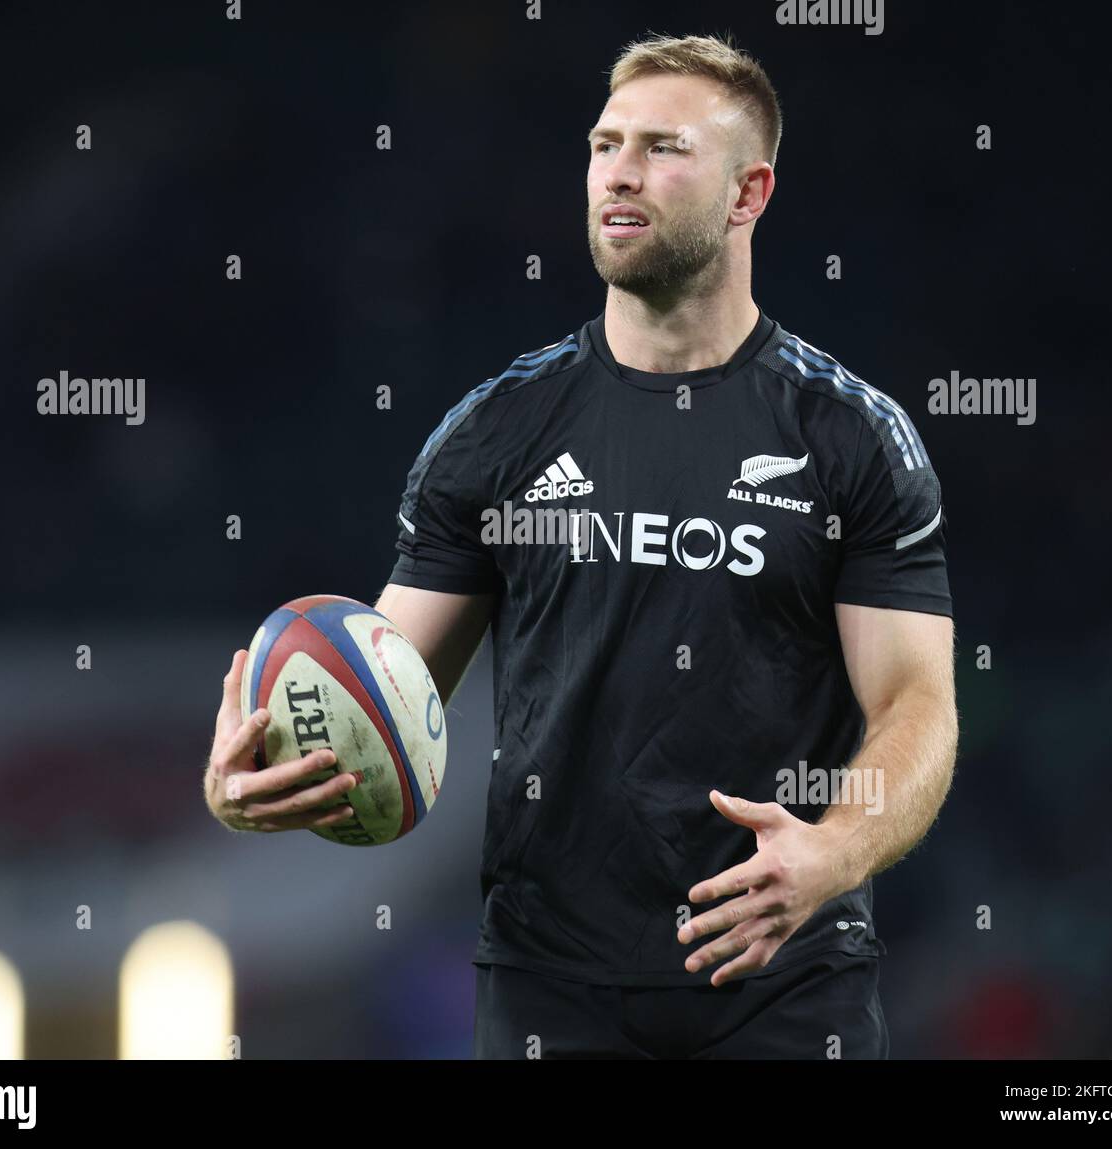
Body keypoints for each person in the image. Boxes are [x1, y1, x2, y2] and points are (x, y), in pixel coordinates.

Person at [204, 32, 958, 1060]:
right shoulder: (493, 432)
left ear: (748, 195)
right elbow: (387, 695)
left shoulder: (851, 439)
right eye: (605, 144)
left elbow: (916, 706)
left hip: (785, 982)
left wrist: (832, 854)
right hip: (548, 988)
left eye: (662, 147)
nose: (620, 171)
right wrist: (265, 782)